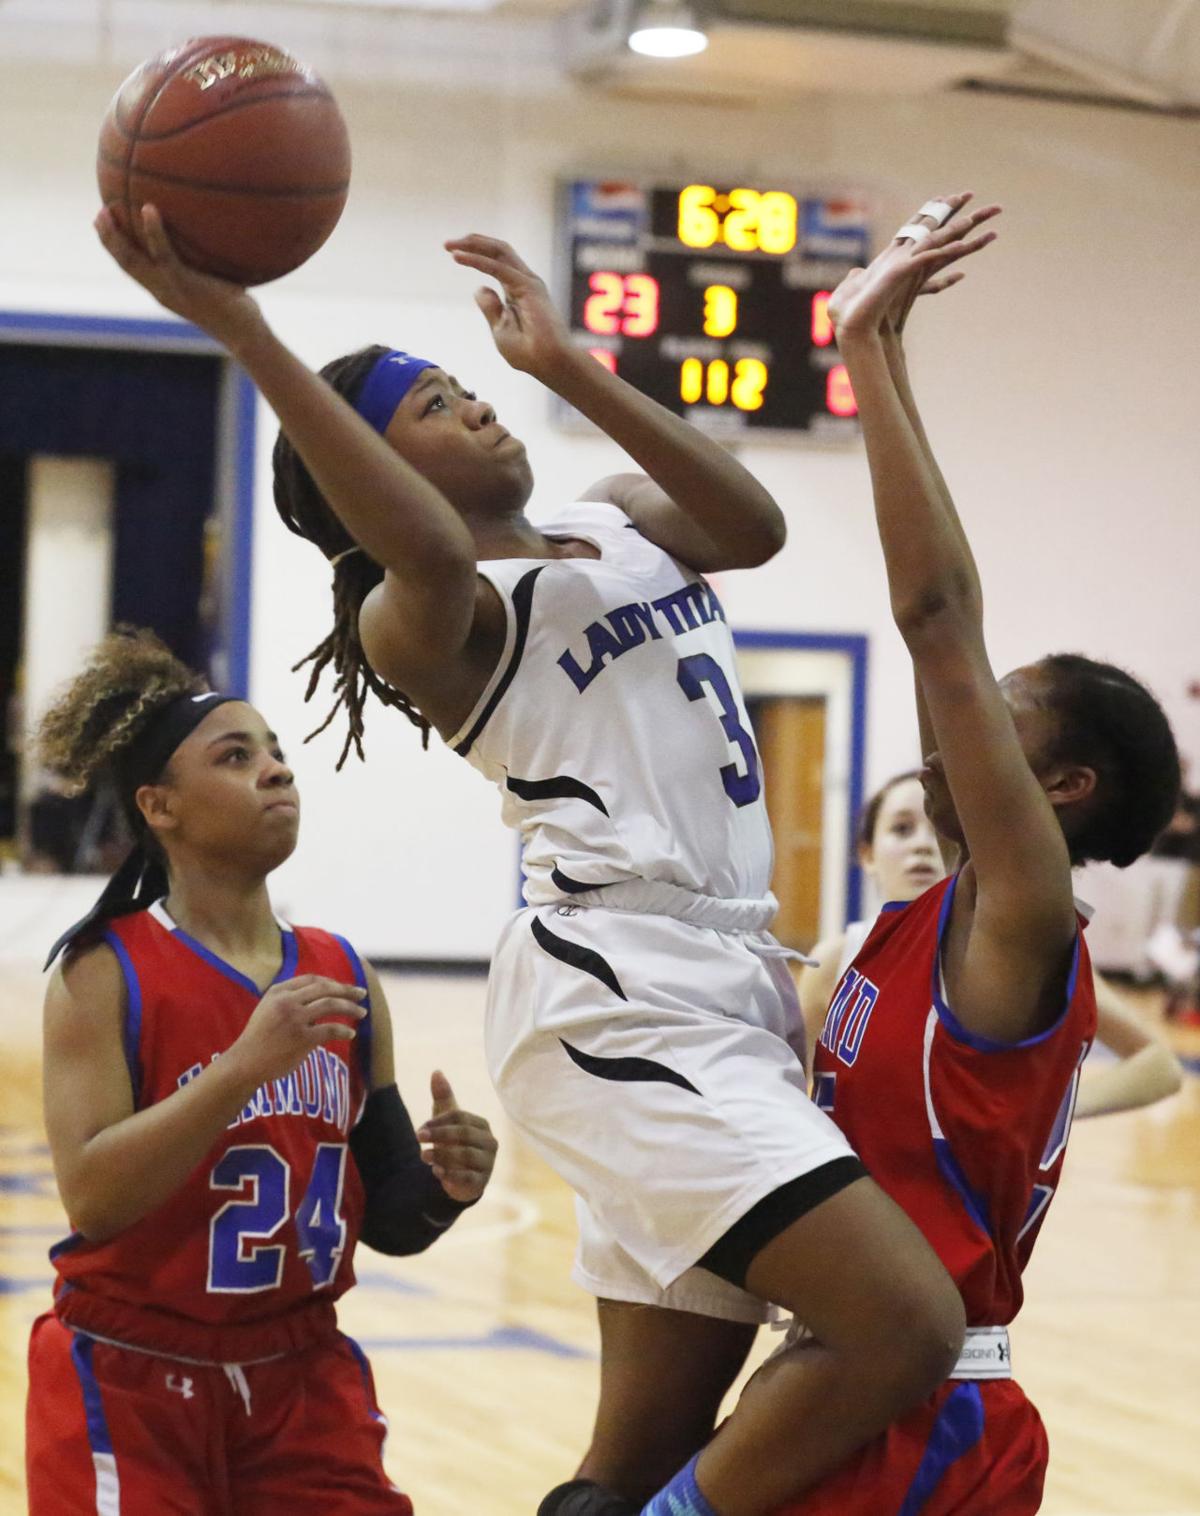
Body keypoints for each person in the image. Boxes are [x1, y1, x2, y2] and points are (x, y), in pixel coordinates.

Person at [94, 204, 978, 1516]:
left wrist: (564, 365)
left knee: (635, 1463)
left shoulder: (616, 513)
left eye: (465, 391)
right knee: (906, 1325)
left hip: (732, 978)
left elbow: (755, 526)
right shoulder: (420, 620)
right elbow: (434, 543)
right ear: (362, 486)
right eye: (435, 412)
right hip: (616, 994)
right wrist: (243, 328)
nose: (476, 411)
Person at [766, 192, 1181, 1514]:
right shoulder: (908, 923)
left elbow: (935, 613)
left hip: (931, 1412)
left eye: (1001, 715)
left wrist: (863, 347)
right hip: (832, 1385)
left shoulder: (1021, 912)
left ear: (1059, 786)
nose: (963, 720)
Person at [25, 627, 498, 1513]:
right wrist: (242, 1068)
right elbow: (93, 1198)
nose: (277, 771)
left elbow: (390, 1216)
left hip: (300, 1376)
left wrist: (446, 1185)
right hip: (131, 1379)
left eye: (277, 755)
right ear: (160, 806)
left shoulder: (343, 971)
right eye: (236, 757)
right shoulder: (103, 971)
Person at [801, 772, 1183, 1119]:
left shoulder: (1018, 952)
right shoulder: (834, 961)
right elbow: (788, 1093)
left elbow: (1158, 1064)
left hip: (968, 1190)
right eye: (902, 829)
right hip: (853, 1181)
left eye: (940, 832)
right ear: (867, 854)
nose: (922, 845)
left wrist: (1045, 1115)